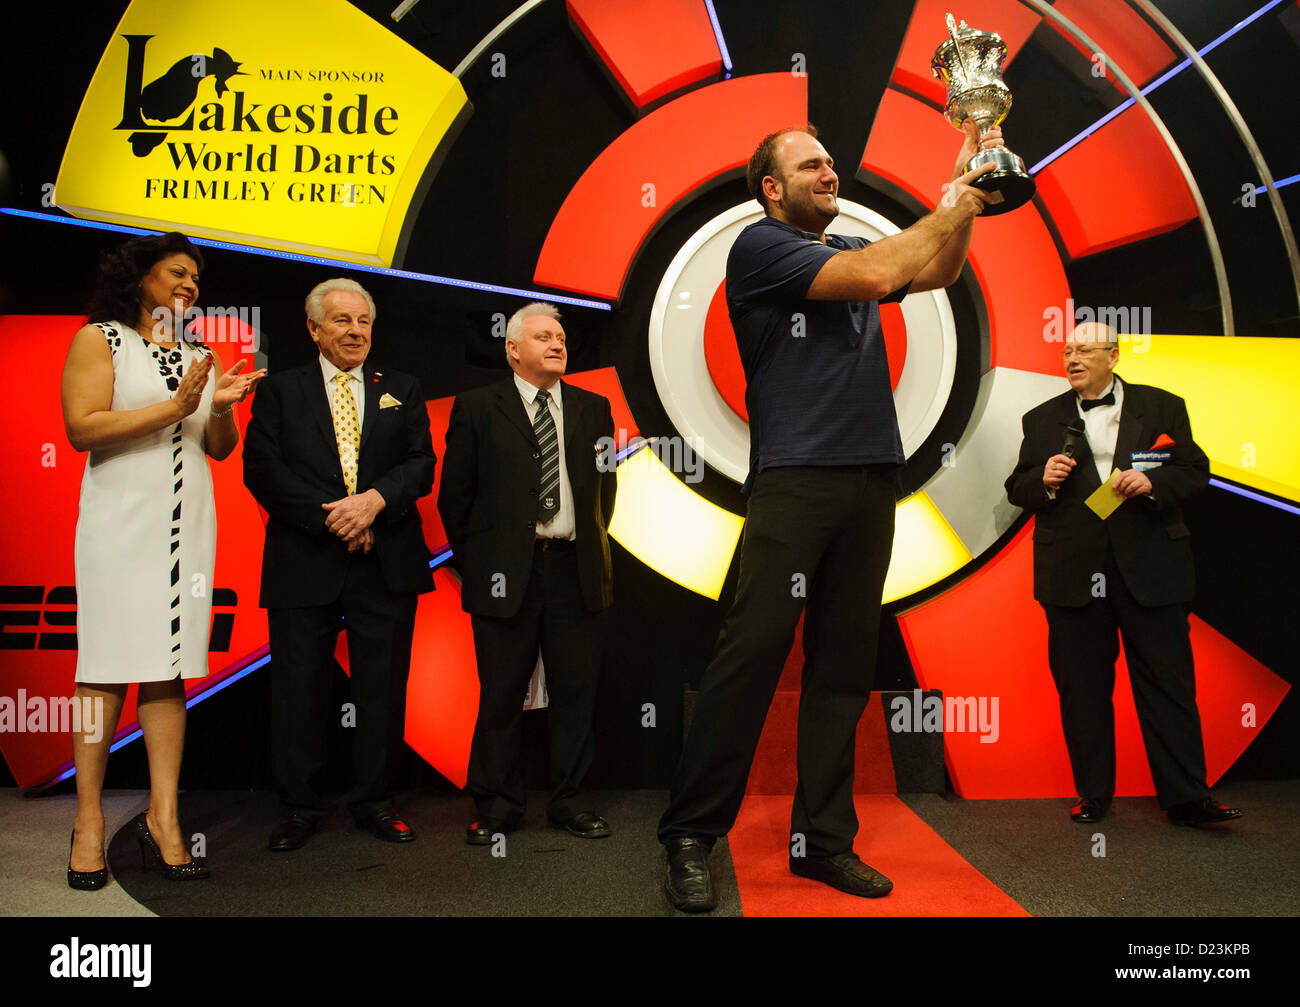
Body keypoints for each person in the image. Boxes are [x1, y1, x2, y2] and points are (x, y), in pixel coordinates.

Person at [658, 121, 1000, 912]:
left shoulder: (839, 245)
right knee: (748, 661)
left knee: (844, 666)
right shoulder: (760, 248)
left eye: (832, 161)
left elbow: (940, 268)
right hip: (794, 480)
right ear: (771, 187)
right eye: (810, 163)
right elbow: (884, 271)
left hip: (870, 479)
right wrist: (955, 202)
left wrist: (965, 201)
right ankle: (688, 835)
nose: (829, 171)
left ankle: (823, 842)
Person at [62, 231, 264, 887]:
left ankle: (165, 817)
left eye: (197, 280)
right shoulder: (103, 339)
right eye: (178, 272)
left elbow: (217, 447)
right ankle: (88, 822)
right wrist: (173, 406)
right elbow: (81, 426)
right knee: (104, 666)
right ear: (142, 276)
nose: (190, 285)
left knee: (168, 669)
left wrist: (223, 408)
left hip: (186, 532)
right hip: (119, 525)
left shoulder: (200, 353)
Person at [1004, 321, 1240, 828]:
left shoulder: (1161, 406)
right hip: (1072, 573)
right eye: (1067, 350)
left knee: (1168, 685)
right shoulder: (1041, 418)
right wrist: (1041, 481)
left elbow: (1194, 471)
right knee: (1083, 689)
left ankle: (1188, 799)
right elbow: (1016, 486)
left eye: (1084, 350)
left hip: (1152, 569)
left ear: (1113, 355)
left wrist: (1152, 481)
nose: (1072, 358)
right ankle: (1093, 795)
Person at [243, 278, 436, 850]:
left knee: (382, 689)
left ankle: (376, 801)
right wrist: (336, 518)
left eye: (364, 322)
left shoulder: (401, 387)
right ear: (313, 329)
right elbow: (262, 469)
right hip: (306, 559)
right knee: (299, 692)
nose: (356, 332)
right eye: (343, 322)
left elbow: (421, 463)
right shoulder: (279, 391)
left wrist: (374, 502)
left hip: (386, 560)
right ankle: (299, 808)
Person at [438, 303, 617, 845]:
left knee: (576, 692)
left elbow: (606, 493)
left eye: (560, 337)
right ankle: (497, 805)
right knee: (500, 695)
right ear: (513, 348)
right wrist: (486, 564)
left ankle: (569, 802)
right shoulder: (476, 407)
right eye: (543, 337)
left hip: (574, 569)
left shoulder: (594, 408)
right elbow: (456, 501)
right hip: (503, 574)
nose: (557, 344)